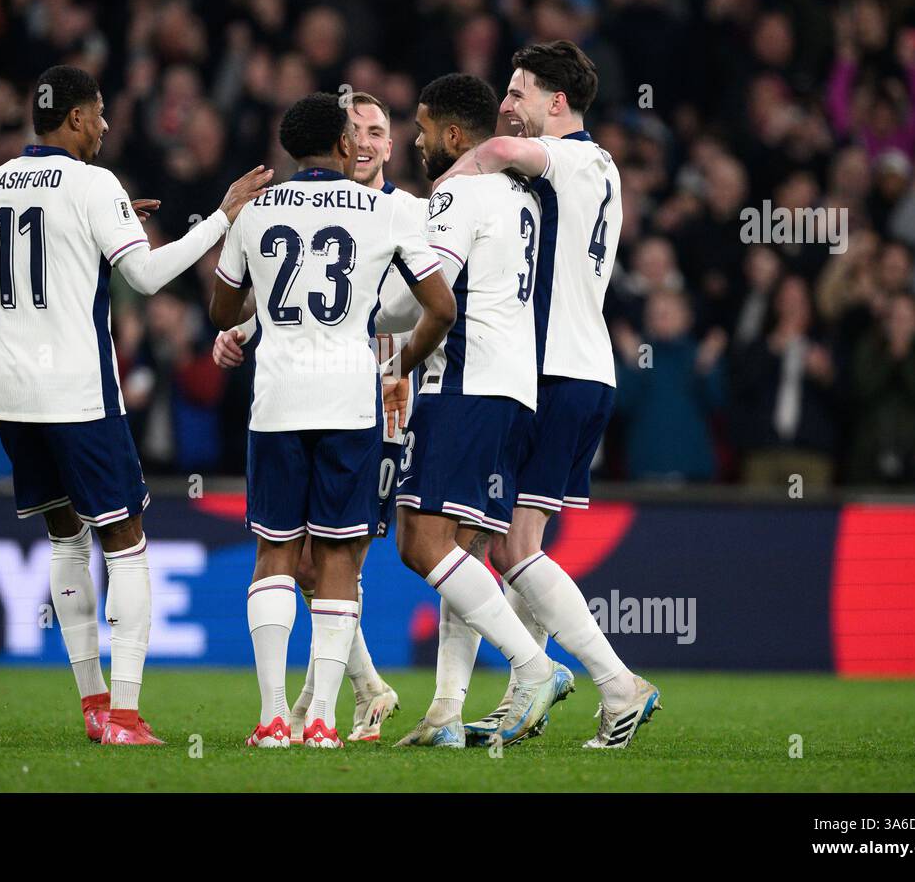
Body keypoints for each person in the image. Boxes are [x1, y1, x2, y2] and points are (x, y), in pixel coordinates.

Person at [0, 64, 271, 746]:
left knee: (63, 536)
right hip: (76, 391)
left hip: (10, 391)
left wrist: (102, 227)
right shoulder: (93, 183)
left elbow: (36, 257)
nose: (106, 126)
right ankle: (127, 718)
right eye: (99, 114)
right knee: (126, 542)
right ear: (75, 118)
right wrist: (221, 218)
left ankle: (92, 705)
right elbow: (146, 274)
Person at [209, 92, 455, 749]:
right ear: (344, 146)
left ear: (288, 148)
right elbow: (441, 308)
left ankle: (270, 718)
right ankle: (319, 720)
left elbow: (220, 308)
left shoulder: (254, 210)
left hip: (278, 401)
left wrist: (232, 233)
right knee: (341, 559)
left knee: (276, 555)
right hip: (351, 401)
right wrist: (401, 364)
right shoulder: (387, 210)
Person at [437, 40, 661, 749]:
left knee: (508, 545)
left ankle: (618, 684)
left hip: (557, 374)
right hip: (578, 370)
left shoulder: (575, 157)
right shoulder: (594, 172)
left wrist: (448, 184)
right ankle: (521, 697)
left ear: (556, 103)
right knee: (513, 541)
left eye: (519, 90)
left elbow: (503, 151)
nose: (508, 103)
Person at [375, 72, 572, 749]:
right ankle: (446, 713)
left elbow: (433, 295)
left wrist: (372, 328)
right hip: (516, 391)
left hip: (464, 384)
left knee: (418, 541)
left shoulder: (455, 192)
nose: (417, 141)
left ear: (454, 134)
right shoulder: (522, 199)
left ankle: (533, 665)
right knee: (459, 552)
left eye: (424, 129)